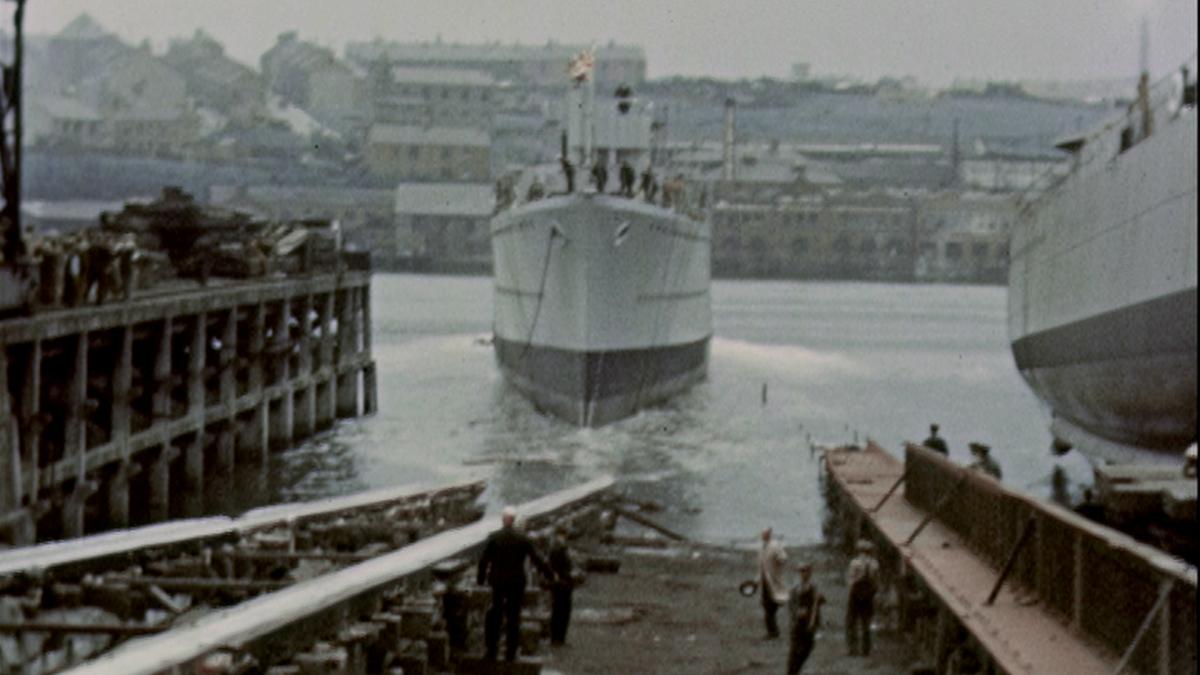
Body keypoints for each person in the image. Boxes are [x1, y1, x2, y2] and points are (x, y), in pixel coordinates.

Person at [477, 506, 554, 661]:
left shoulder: (493, 537)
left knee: (495, 615)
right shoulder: (523, 539)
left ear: (503, 520)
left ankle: (491, 650)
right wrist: (550, 574)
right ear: (514, 521)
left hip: (497, 582)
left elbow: (483, 561)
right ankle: (511, 652)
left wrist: (480, 580)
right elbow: (536, 559)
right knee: (514, 617)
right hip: (516, 582)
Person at [787, 561, 824, 674]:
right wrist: (796, 614)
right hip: (798, 623)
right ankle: (793, 671)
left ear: (810, 573)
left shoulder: (813, 587)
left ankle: (796, 668)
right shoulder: (795, 588)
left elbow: (818, 604)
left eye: (806, 571)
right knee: (795, 650)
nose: (804, 574)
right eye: (801, 571)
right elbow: (791, 605)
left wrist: (814, 620)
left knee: (808, 647)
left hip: (810, 622)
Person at [845, 538, 880, 657]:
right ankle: (866, 649)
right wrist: (873, 593)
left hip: (856, 594)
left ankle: (852, 648)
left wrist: (851, 590)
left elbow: (850, 580)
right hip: (868, 595)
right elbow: (876, 583)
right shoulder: (874, 564)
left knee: (851, 621)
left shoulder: (855, 563)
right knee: (866, 622)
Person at [758, 527, 788, 639]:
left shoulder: (775, 546)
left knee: (771, 607)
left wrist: (779, 559)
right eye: (762, 534)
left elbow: (783, 558)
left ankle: (773, 632)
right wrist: (757, 580)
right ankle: (772, 631)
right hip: (765, 581)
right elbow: (761, 566)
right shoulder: (762, 548)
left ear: (769, 534)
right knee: (767, 606)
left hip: (774, 579)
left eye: (765, 534)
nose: (763, 536)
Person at [547, 527, 575, 646]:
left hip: (560, 582)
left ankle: (557, 637)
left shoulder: (557, 548)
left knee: (559, 609)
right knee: (562, 610)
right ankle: (558, 638)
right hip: (563, 583)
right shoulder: (560, 549)